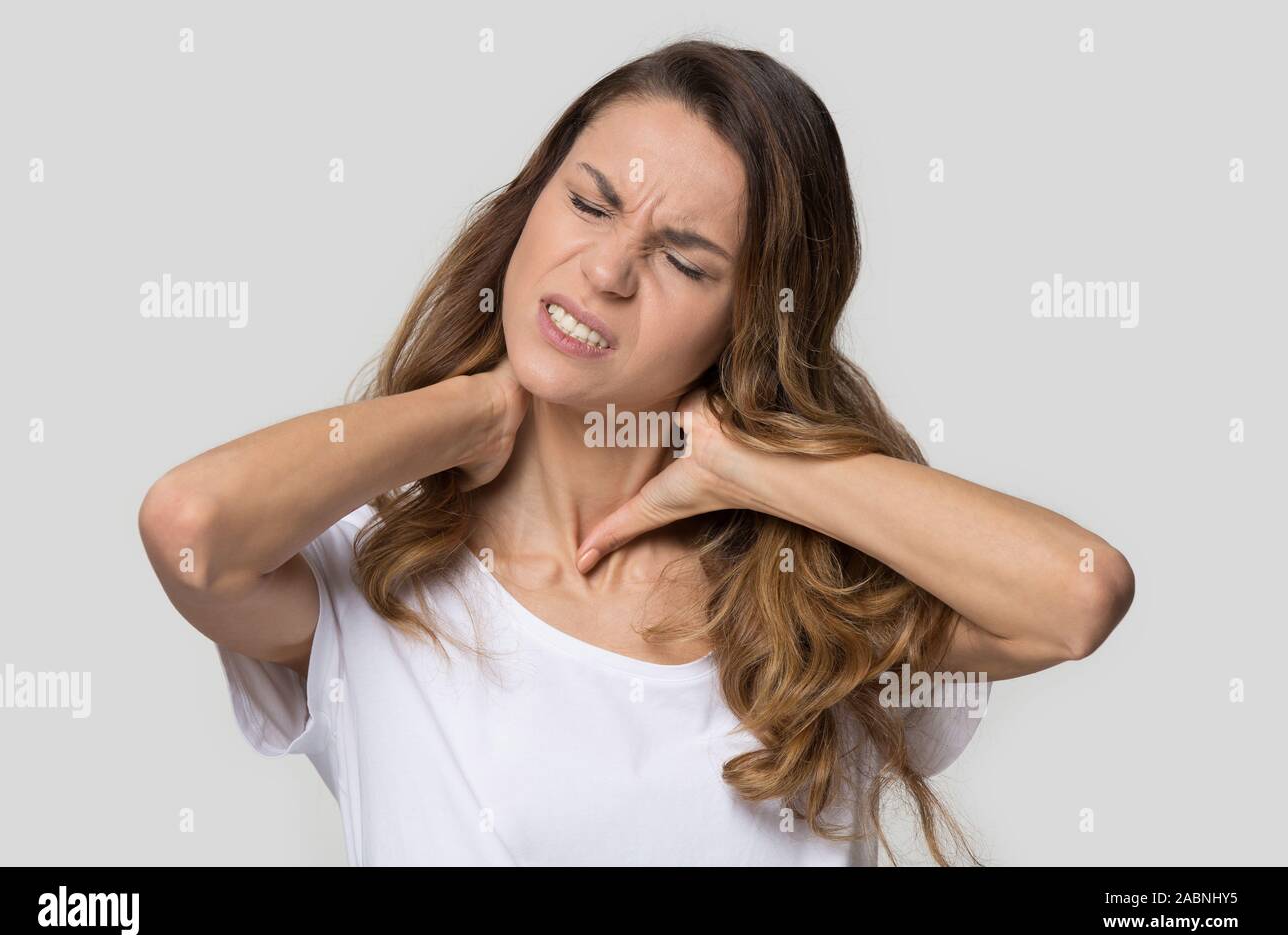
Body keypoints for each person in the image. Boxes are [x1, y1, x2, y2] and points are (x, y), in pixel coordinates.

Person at [138, 39, 1134, 866]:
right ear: (530, 202)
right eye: (589, 204)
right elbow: (191, 529)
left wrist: (753, 468)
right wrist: (467, 408)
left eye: (683, 260)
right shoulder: (374, 575)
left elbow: (1077, 594)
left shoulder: (809, 604)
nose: (608, 270)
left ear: (748, 322)